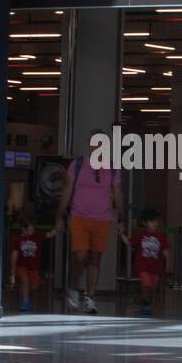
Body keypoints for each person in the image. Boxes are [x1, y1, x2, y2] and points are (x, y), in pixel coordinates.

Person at [52, 125, 125, 315]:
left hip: (102, 218)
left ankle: (90, 298)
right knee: (81, 256)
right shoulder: (77, 165)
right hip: (79, 216)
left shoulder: (112, 167)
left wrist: (122, 218)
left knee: (95, 258)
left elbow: (117, 194)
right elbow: (67, 191)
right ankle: (73, 288)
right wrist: (59, 216)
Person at [121, 208, 171, 318]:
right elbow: (130, 243)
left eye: (156, 221)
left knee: (152, 288)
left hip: (155, 267)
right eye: (152, 221)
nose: (155, 223)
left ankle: (145, 302)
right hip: (142, 266)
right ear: (144, 223)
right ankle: (145, 304)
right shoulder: (140, 235)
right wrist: (121, 235)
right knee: (145, 283)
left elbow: (165, 251)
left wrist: (168, 263)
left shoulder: (161, 237)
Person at [9, 214, 45, 313]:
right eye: (29, 230)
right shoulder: (18, 240)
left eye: (32, 230)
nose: (31, 232)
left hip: (34, 268)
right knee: (25, 280)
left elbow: (49, 234)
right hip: (22, 266)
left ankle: (26, 298)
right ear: (23, 230)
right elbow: (14, 254)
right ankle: (25, 301)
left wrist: (58, 229)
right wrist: (13, 269)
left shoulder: (37, 237)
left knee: (33, 286)